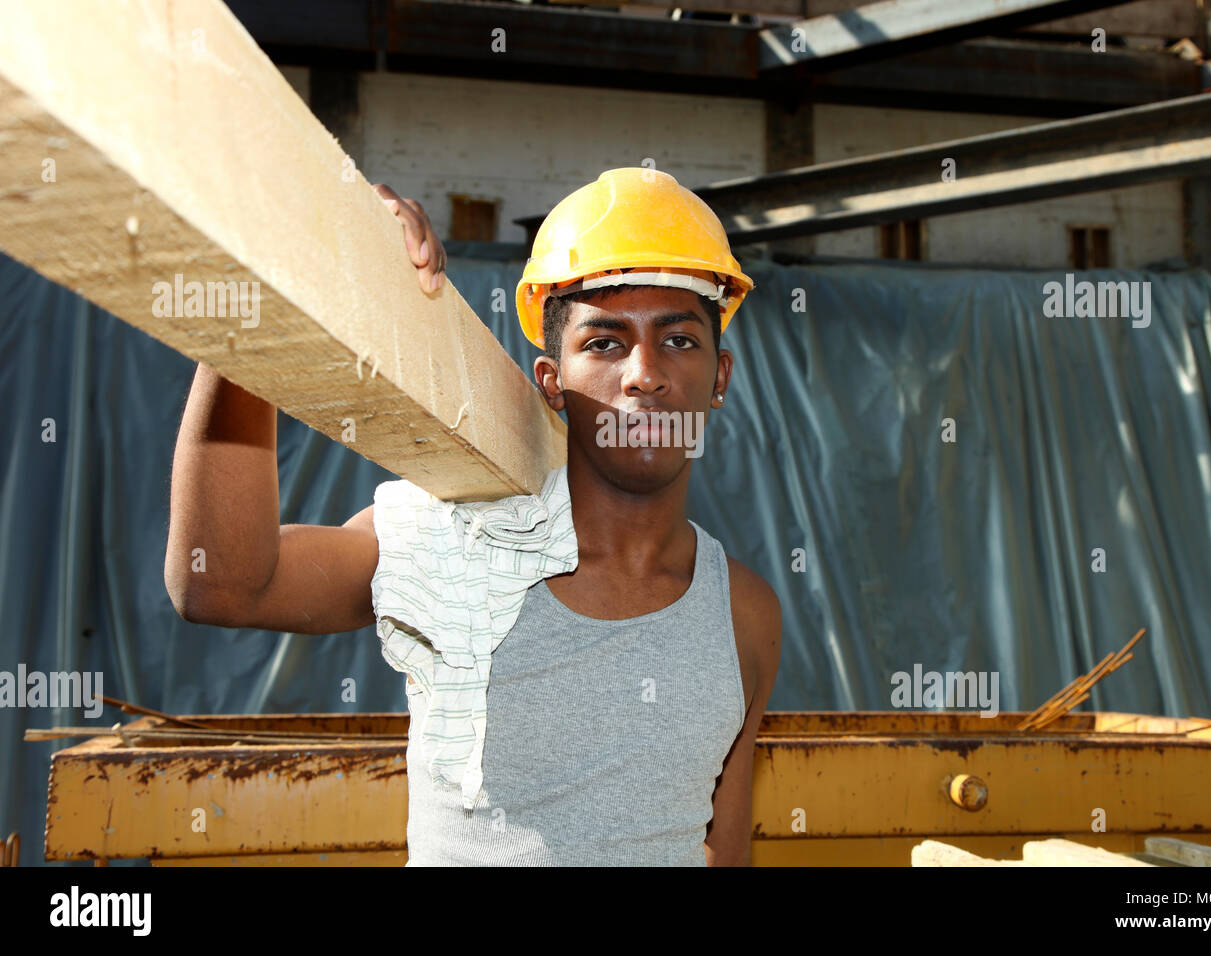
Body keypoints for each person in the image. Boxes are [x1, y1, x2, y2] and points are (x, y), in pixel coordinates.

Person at [164, 167, 781, 866]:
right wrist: (264, 286)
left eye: (678, 339)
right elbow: (218, 584)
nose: (644, 372)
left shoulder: (744, 614)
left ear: (720, 378)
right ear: (552, 382)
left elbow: (723, 852)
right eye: (604, 343)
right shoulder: (454, 542)